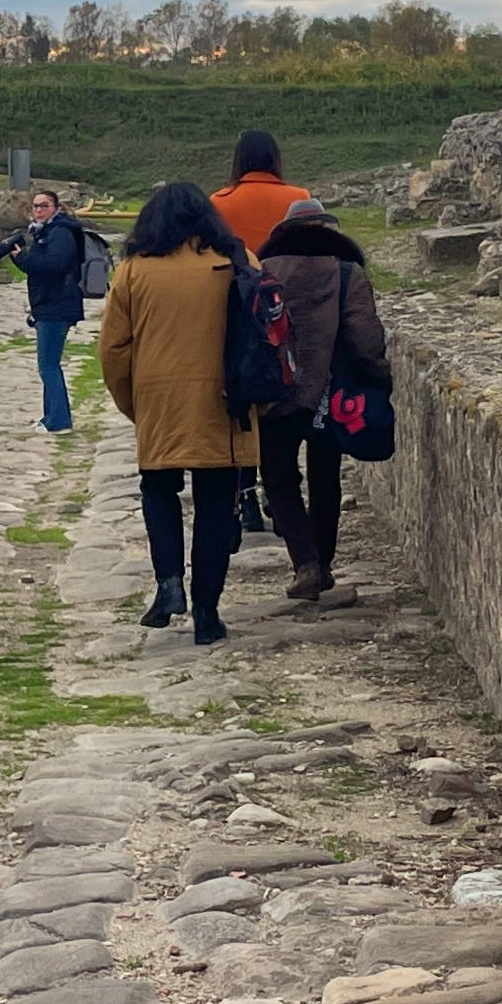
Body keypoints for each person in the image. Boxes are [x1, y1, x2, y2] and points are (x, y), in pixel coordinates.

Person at [98, 178, 257, 644]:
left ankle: (169, 583)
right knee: (214, 504)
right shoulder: (238, 262)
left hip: (158, 397)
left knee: (159, 490)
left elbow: (113, 349)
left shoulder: (132, 271)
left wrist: (134, 404)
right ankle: (207, 612)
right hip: (226, 400)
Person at [256, 202, 390, 605]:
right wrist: (381, 376)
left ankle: (306, 562)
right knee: (324, 478)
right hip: (329, 396)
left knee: (279, 480)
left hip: (273, 389)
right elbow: (365, 338)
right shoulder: (346, 272)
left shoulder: (261, 270)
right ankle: (323, 562)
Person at [0, 186, 96, 433]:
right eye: (35, 206)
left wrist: (22, 258)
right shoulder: (46, 232)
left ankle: (59, 421)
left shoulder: (61, 233)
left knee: (48, 365)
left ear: (56, 208)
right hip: (48, 305)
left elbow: (53, 265)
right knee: (47, 364)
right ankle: (50, 417)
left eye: (44, 206)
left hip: (57, 307)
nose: (39, 210)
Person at [209, 130, 312, 258]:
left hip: (240, 276)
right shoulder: (300, 198)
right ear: (275, 158)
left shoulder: (218, 201)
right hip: (287, 276)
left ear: (238, 160)